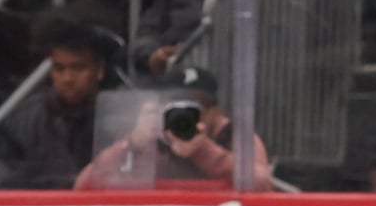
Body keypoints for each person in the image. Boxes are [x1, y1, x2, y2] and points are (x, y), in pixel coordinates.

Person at [74, 63, 270, 190]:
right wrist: (132, 145)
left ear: (215, 112)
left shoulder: (232, 136)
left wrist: (204, 151)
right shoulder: (151, 139)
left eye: (194, 107)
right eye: (175, 105)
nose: (183, 116)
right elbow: (84, 185)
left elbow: (262, 184)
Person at [0, 10, 109, 186]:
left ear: (99, 69)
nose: (67, 78)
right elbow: (5, 185)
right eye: (59, 68)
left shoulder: (118, 118)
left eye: (78, 68)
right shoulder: (23, 120)